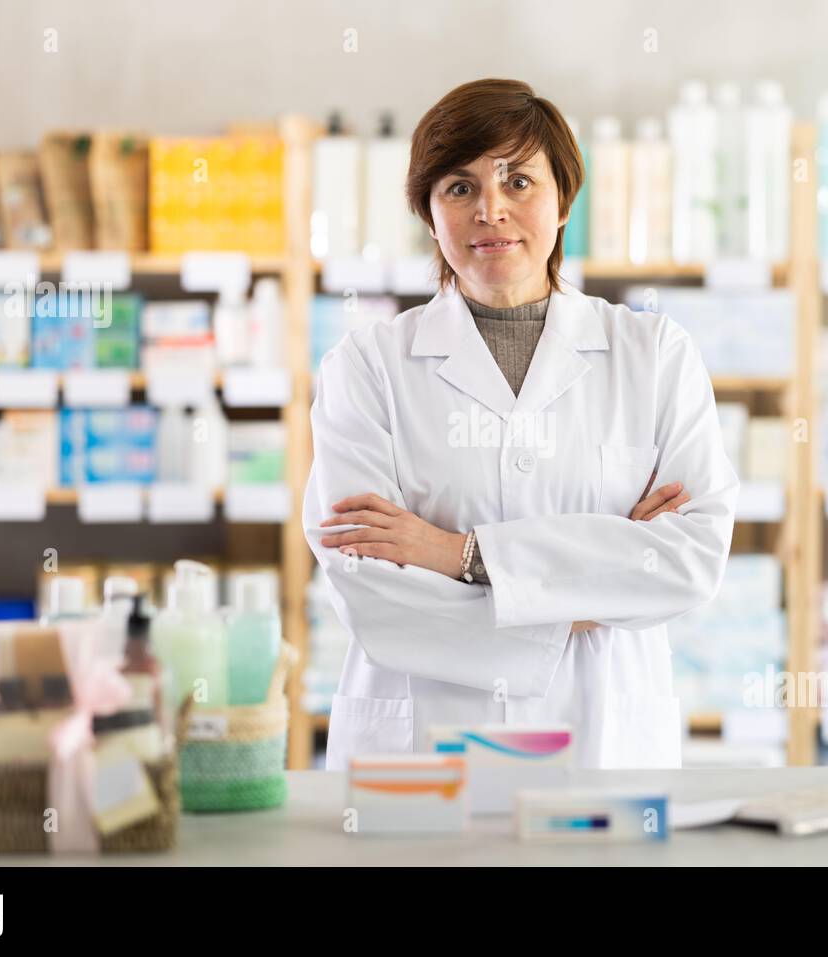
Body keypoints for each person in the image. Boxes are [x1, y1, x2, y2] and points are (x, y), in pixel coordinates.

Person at [304, 78, 740, 769]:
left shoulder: (654, 356)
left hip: (601, 738)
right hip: (423, 747)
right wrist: (599, 577)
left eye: (519, 181)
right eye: (460, 187)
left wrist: (455, 554)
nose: (492, 210)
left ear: (563, 199)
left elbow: (686, 560)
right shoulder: (367, 366)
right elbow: (370, 587)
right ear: (429, 212)